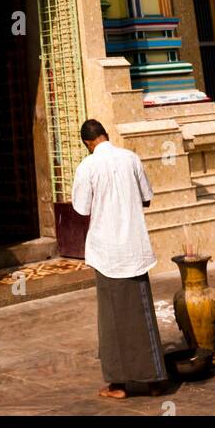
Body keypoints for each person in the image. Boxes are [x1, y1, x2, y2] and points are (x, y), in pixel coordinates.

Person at [71, 118, 166, 399]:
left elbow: (81, 208)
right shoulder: (130, 158)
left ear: (87, 143)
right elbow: (147, 198)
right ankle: (154, 380)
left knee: (111, 319)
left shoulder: (87, 166)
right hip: (133, 247)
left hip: (107, 252)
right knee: (142, 314)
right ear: (105, 135)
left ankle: (118, 385)